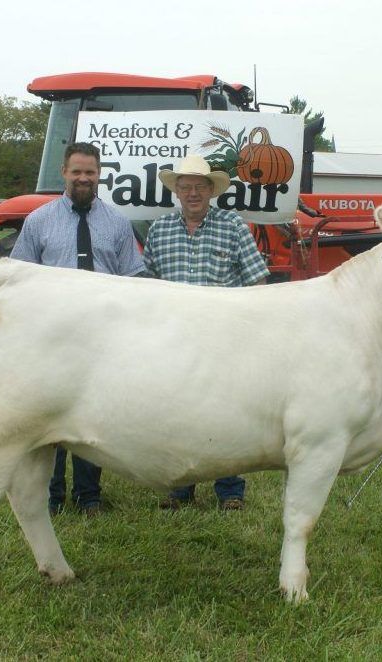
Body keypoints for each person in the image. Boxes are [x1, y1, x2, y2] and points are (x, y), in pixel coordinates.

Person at [10, 142, 145, 517]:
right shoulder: (39, 221)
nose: (84, 178)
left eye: (90, 172)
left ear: (100, 174)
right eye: (77, 172)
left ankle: (89, 495)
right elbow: (19, 277)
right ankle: (52, 496)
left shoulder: (117, 223)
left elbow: (132, 278)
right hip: (51, 337)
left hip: (101, 339)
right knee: (49, 414)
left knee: (92, 417)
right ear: (64, 173)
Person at [143, 154, 269, 511]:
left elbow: (257, 281)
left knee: (228, 414)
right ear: (177, 192)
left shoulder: (232, 226)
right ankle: (180, 486)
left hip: (223, 338)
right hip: (173, 339)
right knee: (175, 412)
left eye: (199, 187)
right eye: (186, 187)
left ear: (211, 191)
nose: (192, 193)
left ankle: (230, 489)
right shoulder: (159, 230)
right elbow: (147, 285)